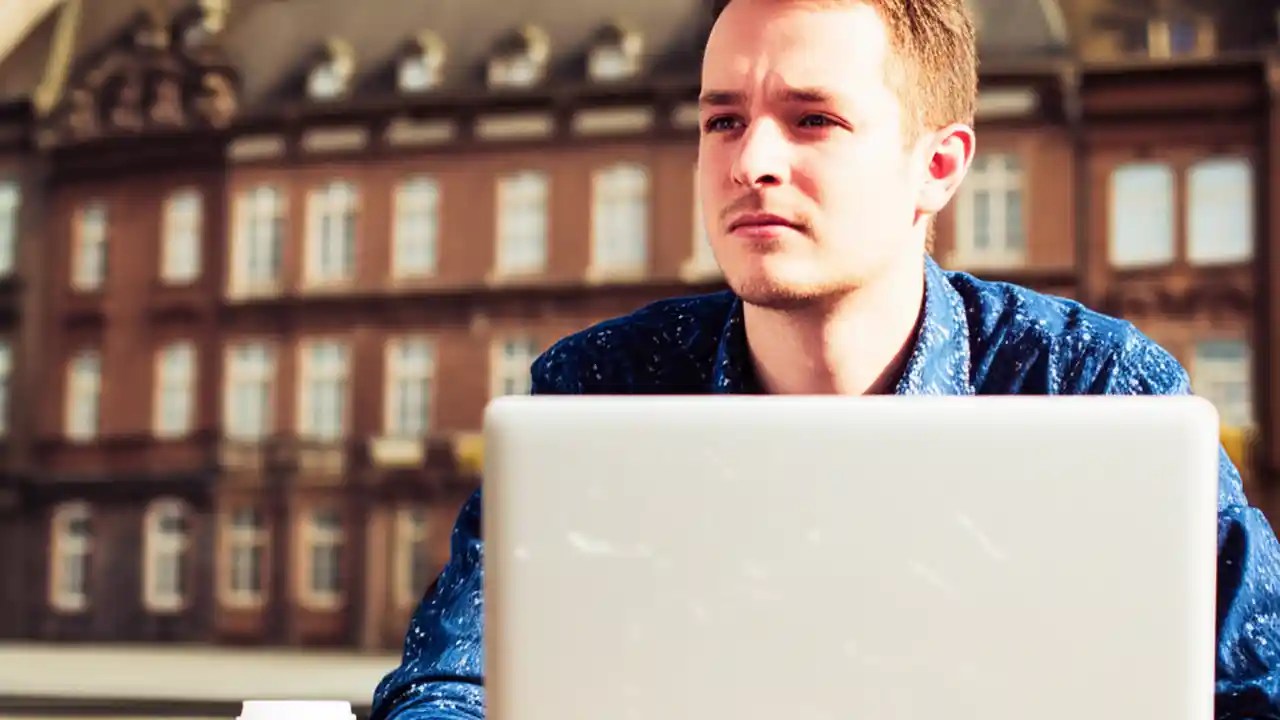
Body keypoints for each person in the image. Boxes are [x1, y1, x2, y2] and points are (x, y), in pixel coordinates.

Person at [371, 0, 1280, 717]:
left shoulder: (1100, 391)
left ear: (939, 165)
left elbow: (1260, 688)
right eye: (723, 122)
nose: (750, 161)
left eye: (812, 120)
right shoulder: (594, 388)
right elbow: (447, 687)